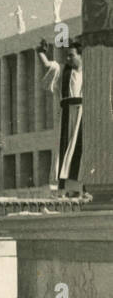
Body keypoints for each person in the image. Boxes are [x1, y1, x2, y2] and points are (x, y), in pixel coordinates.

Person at [38, 40, 83, 191]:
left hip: (83, 113)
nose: (68, 59)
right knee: (63, 147)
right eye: (66, 56)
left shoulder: (88, 72)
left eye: (71, 55)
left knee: (80, 148)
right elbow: (48, 65)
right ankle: (63, 185)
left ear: (81, 56)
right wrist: (41, 53)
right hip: (67, 114)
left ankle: (79, 185)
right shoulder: (62, 70)